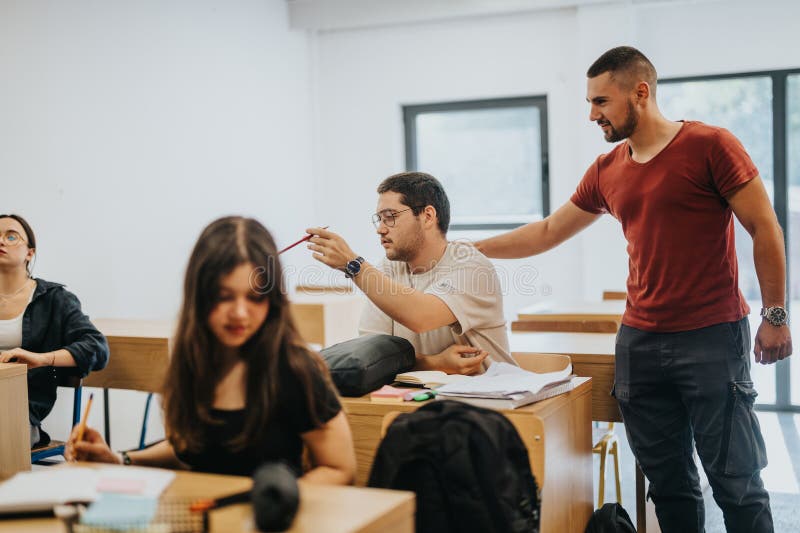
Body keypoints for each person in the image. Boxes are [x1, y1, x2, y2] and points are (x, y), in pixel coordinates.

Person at [475, 46, 792, 533]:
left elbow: (764, 227)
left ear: (640, 93)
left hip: (711, 338)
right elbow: (547, 232)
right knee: (668, 486)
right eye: (590, 102)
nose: (592, 114)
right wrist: (468, 250)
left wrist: (775, 314)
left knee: (737, 484)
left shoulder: (710, 145)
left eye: (601, 101)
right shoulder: (607, 170)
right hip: (640, 345)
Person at [66, 216, 356, 484]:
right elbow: (191, 448)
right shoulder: (192, 361)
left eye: (255, 297)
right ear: (200, 296)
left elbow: (339, 467)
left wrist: (275, 501)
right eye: (224, 296)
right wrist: (120, 459)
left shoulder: (295, 368)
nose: (239, 313)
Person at [306, 172, 516, 376]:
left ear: (428, 216)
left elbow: (421, 316)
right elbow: (374, 355)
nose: (380, 229)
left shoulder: (471, 265)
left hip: (493, 395)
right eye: (379, 219)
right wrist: (434, 363)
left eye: (390, 217)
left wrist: (353, 265)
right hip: (425, 397)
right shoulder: (387, 270)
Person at [0, 214, 109, 448]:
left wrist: (42, 359)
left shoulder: (55, 299)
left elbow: (97, 349)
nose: (1, 241)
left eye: (11, 236)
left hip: (19, 411)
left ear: (30, 253)